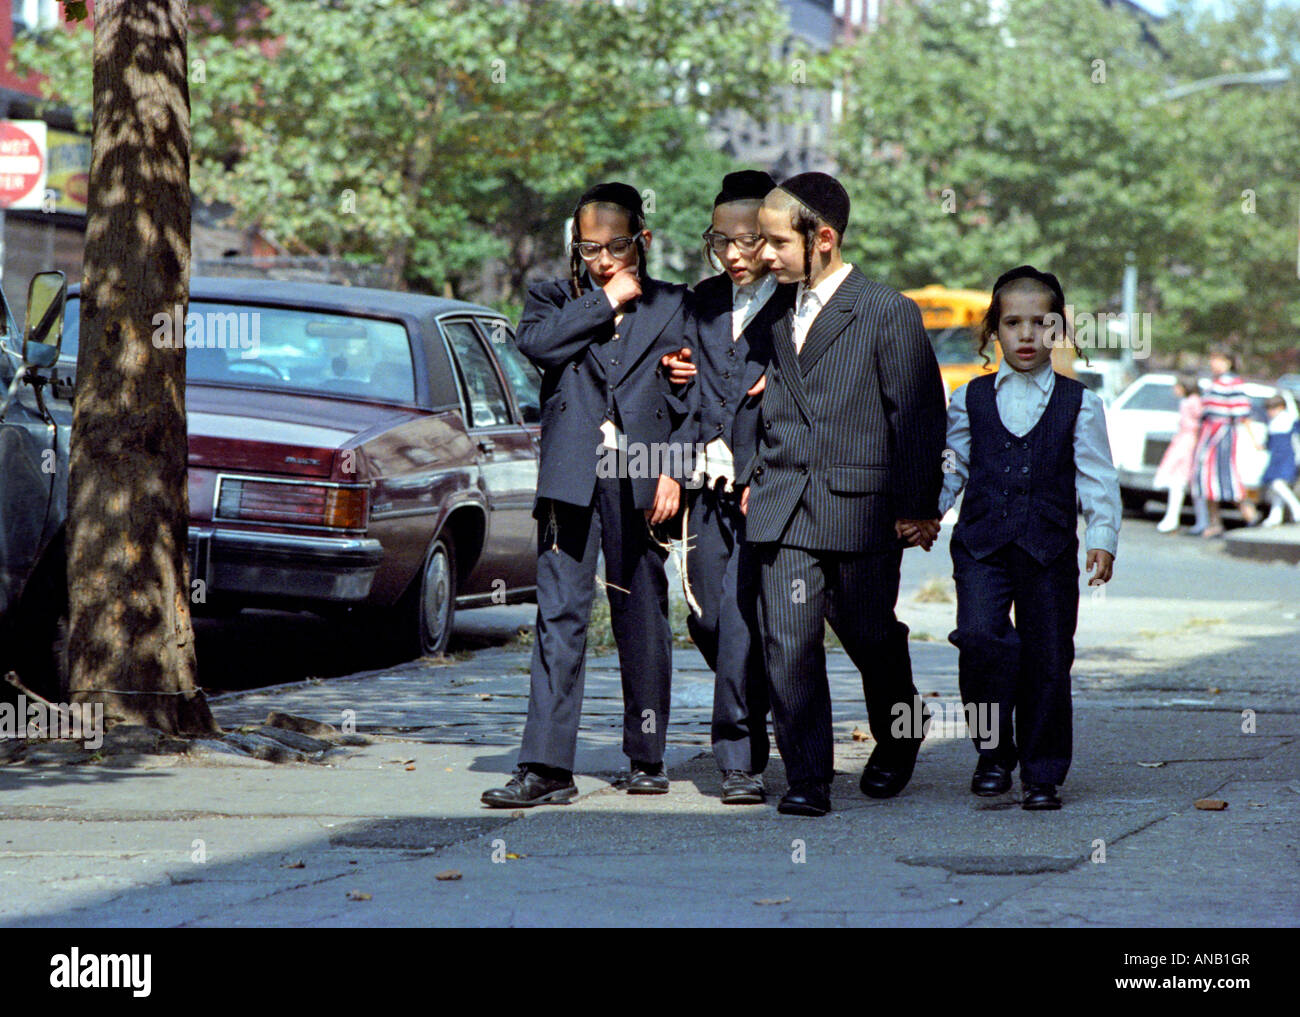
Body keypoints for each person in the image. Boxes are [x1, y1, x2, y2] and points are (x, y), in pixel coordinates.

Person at [736, 172, 948, 817]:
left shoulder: (886, 310)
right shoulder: (771, 310)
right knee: (787, 643)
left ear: (822, 238)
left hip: (860, 509)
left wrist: (916, 507)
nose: (761, 255)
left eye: (774, 242)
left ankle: (901, 732)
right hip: (781, 506)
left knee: (869, 635)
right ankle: (808, 778)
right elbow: (740, 393)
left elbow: (916, 414)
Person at [481, 182, 696, 808]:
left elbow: (695, 395)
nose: (602, 258)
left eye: (616, 246)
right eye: (588, 247)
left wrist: (673, 471)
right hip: (571, 478)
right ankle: (546, 766)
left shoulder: (675, 305)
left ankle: (646, 756)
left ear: (644, 241)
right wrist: (605, 300)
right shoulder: (554, 299)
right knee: (559, 617)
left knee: (643, 616)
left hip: (643, 473)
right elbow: (538, 346)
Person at [924, 266, 1120, 811]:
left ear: (1059, 330)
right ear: (993, 331)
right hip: (981, 545)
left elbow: (1098, 476)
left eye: (1041, 323)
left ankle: (1042, 773)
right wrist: (926, 513)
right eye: (1013, 323)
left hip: (1049, 548)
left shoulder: (1080, 404)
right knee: (981, 639)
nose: (1027, 335)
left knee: (1049, 657)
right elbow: (952, 465)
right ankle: (993, 752)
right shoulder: (970, 398)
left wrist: (1101, 536)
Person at [659, 169, 796, 804]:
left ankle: (740, 759)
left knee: (744, 622)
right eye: (721, 242)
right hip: (704, 485)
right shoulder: (700, 302)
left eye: (747, 241)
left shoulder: (799, 308)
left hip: (768, 487)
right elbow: (672, 386)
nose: (735, 256)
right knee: (710, 620)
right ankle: (761, 703)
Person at [1191, 351, 1258, 537]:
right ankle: (1215, 522)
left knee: (1225, 477)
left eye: (1218, 360)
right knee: (1207, 480)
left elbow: (1243, 414)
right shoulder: (1213, 382)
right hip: (1208, 435)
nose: (1214, 363)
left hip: (1222, 436)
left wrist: (1254, 440)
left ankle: (1250, 516)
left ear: (1228, 362)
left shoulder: (1233, 384)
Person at [1154, 376, 1203, 533]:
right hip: (1184, 441)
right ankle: (1175, 518)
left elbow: (1199, 421)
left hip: (1188, 443)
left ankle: (1179, 519)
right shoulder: (1187, 402)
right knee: (1179, 483)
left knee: (1182, 481)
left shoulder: (1193, 402)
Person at [1261, 394, 1300, 527]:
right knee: (1276, 489)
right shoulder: (1272, 423)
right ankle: (1275, 516)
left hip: (1287, 457)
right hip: (1276, 458)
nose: (1270, 412)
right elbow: (1270, 443)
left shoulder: (1289, 420)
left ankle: (1296, 508)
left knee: (1278, 484)